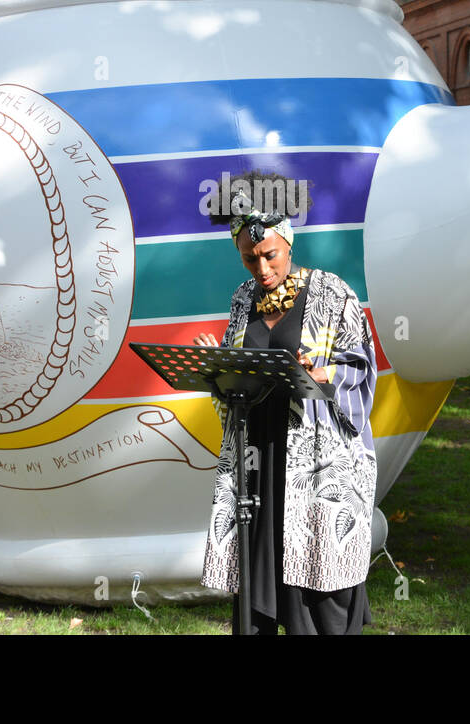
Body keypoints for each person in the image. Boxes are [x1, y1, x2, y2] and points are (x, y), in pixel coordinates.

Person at [194, 172, 378, 635]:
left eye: (269, 255)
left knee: (318, 581)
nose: (261, 268)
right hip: (257, 461)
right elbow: (239, 378)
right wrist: (216, 369)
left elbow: (362, 368)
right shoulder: (242, 301)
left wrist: (324, 373)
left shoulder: (332, 293)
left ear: (288, 245)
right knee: (260, 575)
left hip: (314, 466)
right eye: (249, 258)